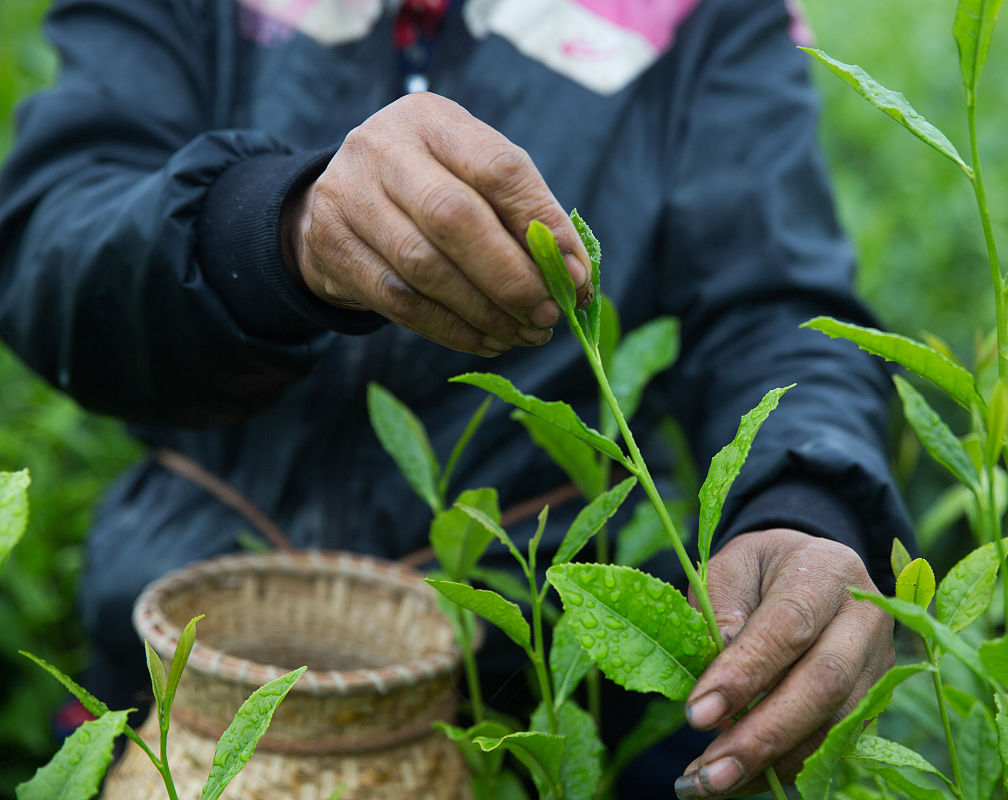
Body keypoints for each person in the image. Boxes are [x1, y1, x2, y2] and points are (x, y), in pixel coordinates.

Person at [0, 0, 912, 797]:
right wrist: (280, 230)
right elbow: (52, 247)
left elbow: (775, 311)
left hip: (549, 698)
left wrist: (804, 502)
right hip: (183, 671)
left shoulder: (703, 14)